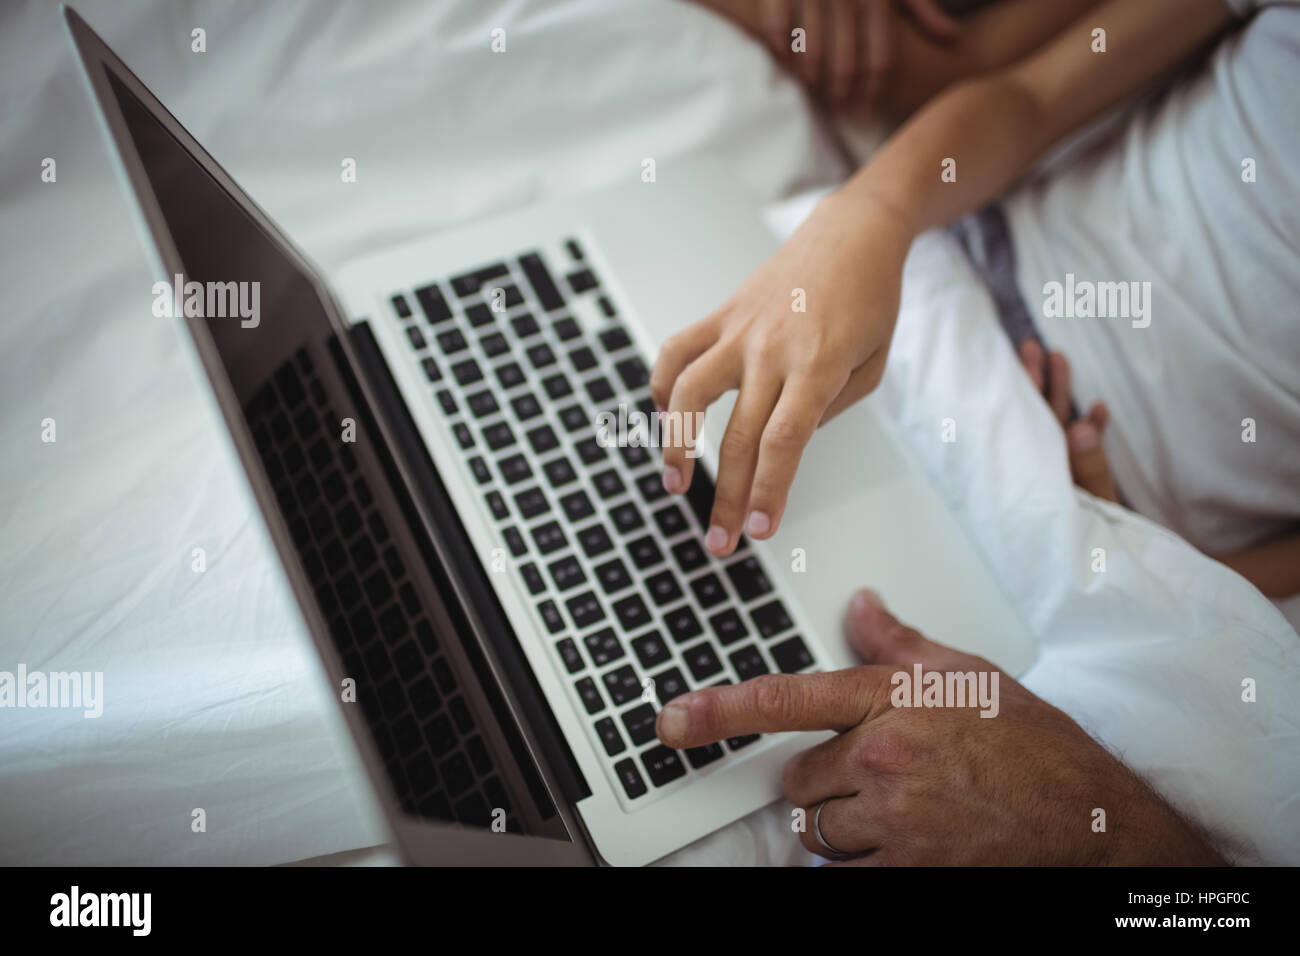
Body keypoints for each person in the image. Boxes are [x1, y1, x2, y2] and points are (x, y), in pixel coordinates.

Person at [652, 0, 1299, 861]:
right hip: (943, 258)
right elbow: (1026, 97)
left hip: (1075, 509)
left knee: (726, 782)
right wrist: (871, 218)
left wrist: (1148, 557)